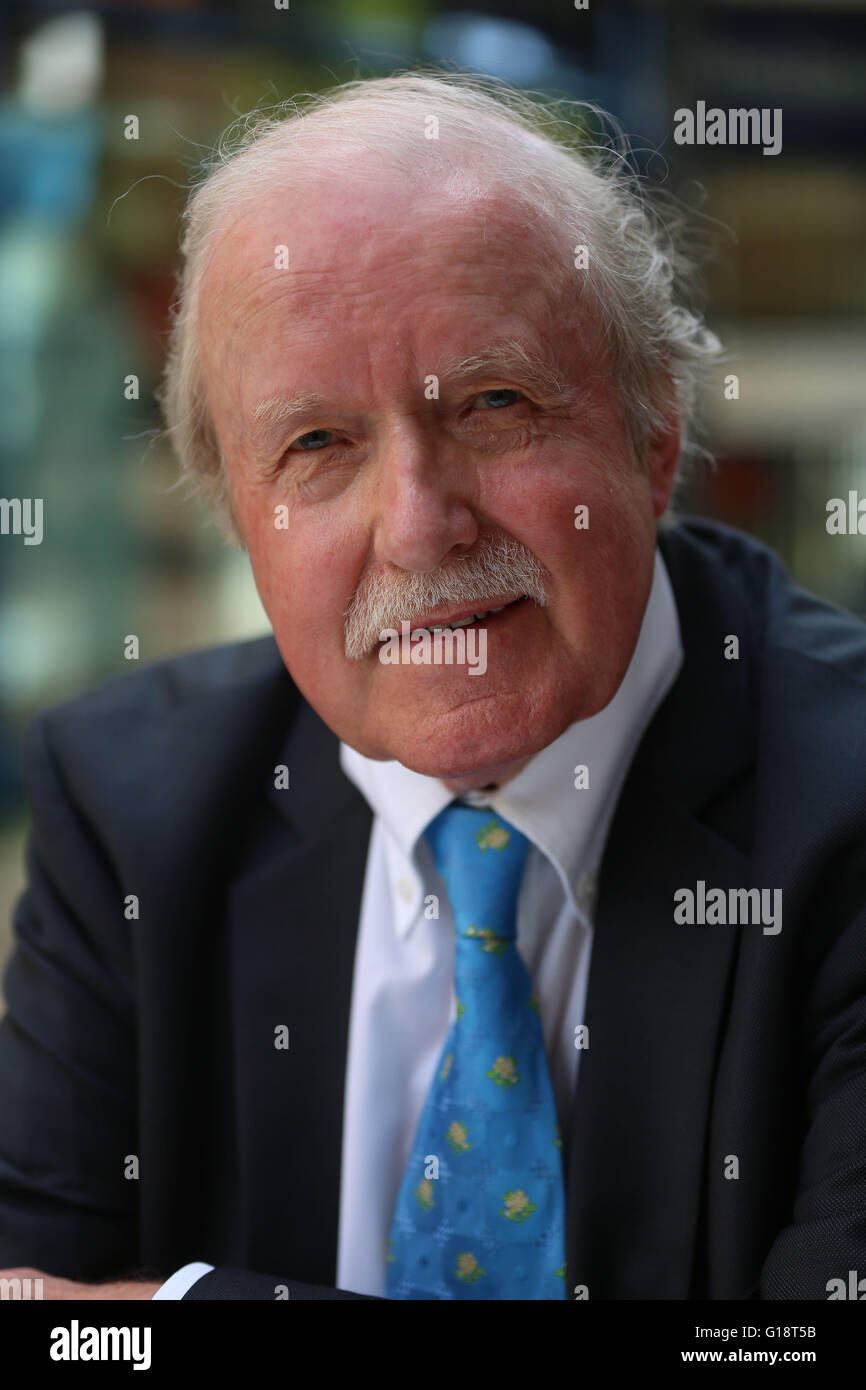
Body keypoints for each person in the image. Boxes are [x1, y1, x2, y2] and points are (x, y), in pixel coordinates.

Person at [1, 71, 864, 1302]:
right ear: (237, 512)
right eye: (316, 443)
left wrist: (183, 1308)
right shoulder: (126, 806)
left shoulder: (842, 801)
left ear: (652, 435)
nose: (417, 526)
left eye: (492, 403)